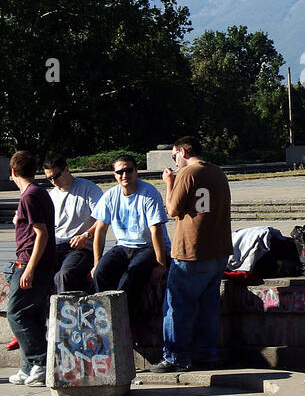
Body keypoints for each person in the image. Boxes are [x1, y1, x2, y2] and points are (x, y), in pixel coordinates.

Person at [151, 136, 232, 373]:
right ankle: (207, 354)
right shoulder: (218, 172)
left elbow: (173, 209)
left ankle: (175, 356)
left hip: (191, 250)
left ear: (183, 152)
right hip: (218, 249)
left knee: (177, 304)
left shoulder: (187, 174)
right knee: (208, 305)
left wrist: (169, 182)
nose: (174, 160)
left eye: (174, 154)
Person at [91, 155, 170, 332]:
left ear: (136, 171)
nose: (124, 175)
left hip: (147, 246)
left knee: (130, 278)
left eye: (128, 170)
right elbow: (100, 230)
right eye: (120, 172)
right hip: (123, 246)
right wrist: (96, 263)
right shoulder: (111, 195)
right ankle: (104, 319)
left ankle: (124, 325)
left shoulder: (149, 193)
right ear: (115, 174)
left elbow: (155, 231)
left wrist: (161, 264)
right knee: (101, 272)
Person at [6, 150, 56, 386]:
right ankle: (29, 367)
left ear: (13, 171)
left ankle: (39, 361)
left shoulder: (30, 196)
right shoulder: (38, 192)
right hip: (36, 262)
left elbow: (41, 234)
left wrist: (29, 269)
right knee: (32, 315)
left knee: (16, 313)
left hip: (31, 262)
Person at [42, 154, 103, 293]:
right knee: (38, 272)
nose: (53, 181)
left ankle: (63, 312)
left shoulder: (88, 188)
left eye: (56, 176)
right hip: (57, 245)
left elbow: (103, 219)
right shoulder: (52, 195)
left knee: (64, 275)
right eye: (49, 178)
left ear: (67, 169)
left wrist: (86, 235)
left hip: (80, 247)